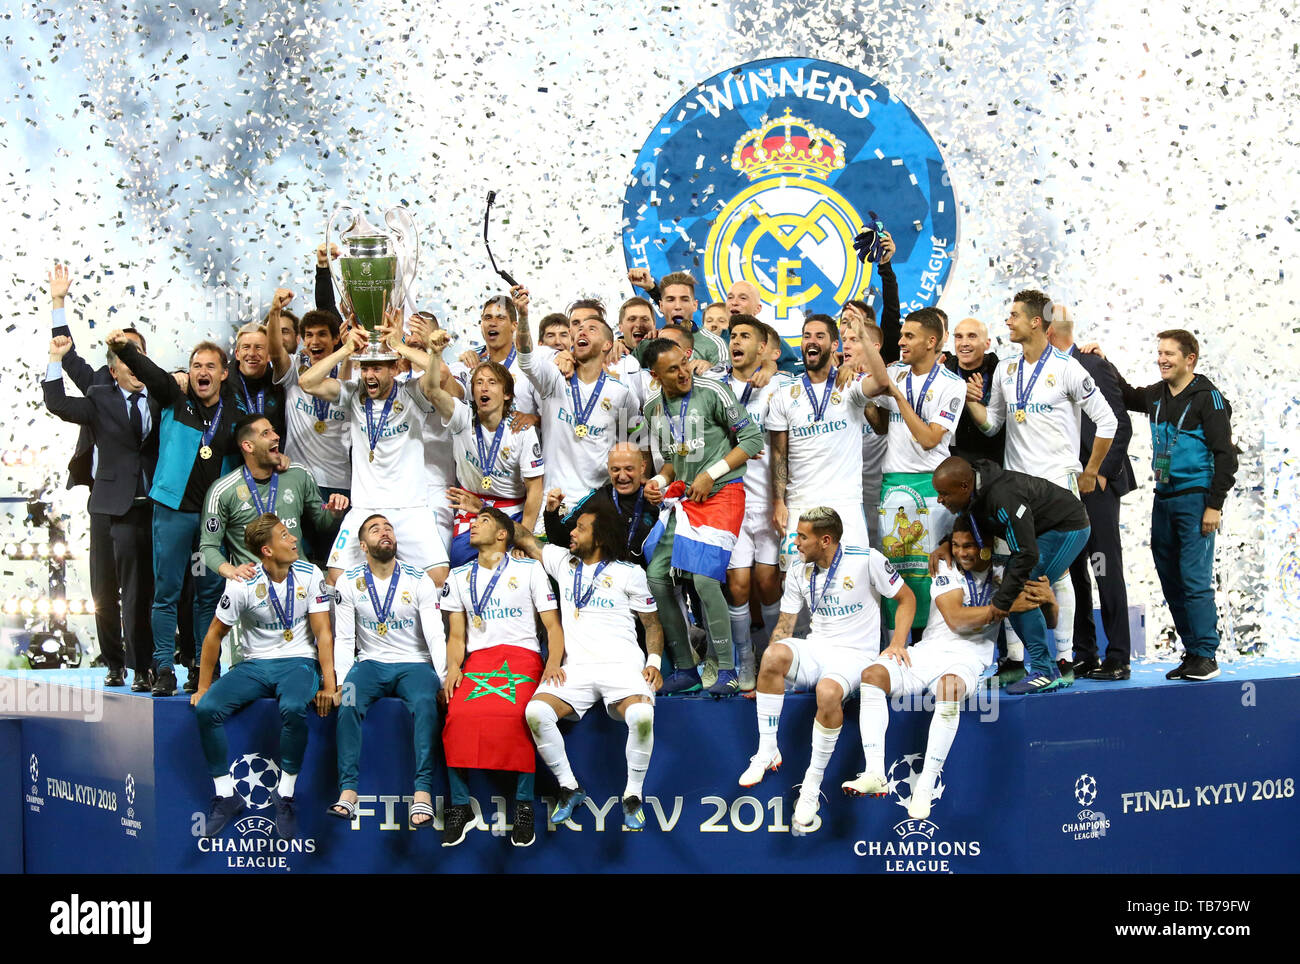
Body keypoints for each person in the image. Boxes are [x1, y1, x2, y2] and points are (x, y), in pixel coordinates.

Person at [845, 520, 1055, 816]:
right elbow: (956, 619)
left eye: (968, 546)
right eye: (955, 545)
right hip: (928, 651)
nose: (960, 552)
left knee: (949, 689)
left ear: (987, 547)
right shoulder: (946, 566)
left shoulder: (1006, 572)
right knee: (873, 676)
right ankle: (875, 772)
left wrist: (1049, 600)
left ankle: (926, 786)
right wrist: (1006, 606)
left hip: (969, 658)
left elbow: (1051, 620)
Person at [965, 290, 1116, 684]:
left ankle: (1064, 658)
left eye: (1014, 315)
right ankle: (1015, 660)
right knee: (1008, 570)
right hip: (1014, 486)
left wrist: (1090, 469)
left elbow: (1109, 421)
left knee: (1058, 576)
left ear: (1036, 321)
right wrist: (971, 403)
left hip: (1056, 484)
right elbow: (993, 424)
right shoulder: (1006, 370)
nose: (1008, 321)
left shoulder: (1070, 369)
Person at [739, 507, 914, 833]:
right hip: (818, 647)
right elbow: (785, 626)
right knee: (773, 655)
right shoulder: (798, 570)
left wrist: (898, 643)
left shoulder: (866, 559)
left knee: (828, 691)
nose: (796, 542)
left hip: (856, 655)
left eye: (802, 537)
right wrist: (770, 675)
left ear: (826, 539)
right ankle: (767, 751)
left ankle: (810, 785)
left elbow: (906, 598)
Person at [1089, 329, 1237, 681]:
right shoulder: (1157, 394)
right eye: (1159, 353)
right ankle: (1192, 652)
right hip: (1164, 498)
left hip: (1196, 497)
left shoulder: (1208, 398)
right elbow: (1125, 395)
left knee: (1194, 578)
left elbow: (1226, 456)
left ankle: (1207, 654)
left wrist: (1214, 505)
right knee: (1170, 578)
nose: (1162, 359)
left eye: (1170, 354)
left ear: (1190, 359)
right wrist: (1103, 361)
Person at [514, 505, 664, 831]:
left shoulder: (629, 573)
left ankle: (633, 795)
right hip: (576, 668)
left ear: (599, 536)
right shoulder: (563, 563)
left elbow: (652, 625)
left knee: (641, 717)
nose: (572, 532)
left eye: (580, 528)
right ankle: (569, 786)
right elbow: (525, 539)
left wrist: (653, 662)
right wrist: (482, 510)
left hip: (622, 666)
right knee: (536, 713)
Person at [108, 331, 241, 697]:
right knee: (165, 592)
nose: (202, 372)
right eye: (196, 365)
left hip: (213, 517)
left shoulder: (235, 414)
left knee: (208, 594)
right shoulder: (173, 397)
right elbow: (149, 372)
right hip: (172, 510)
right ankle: (164, 666)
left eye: (210, 366)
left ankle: (203, 665)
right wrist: (124, 349)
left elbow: (255, 442)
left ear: (224, 373)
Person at [191, 515, 335, 840]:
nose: (294, 539)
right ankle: (226, 796)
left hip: (299, 661)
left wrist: (330, 684)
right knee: (206, 710)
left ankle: (284, 796)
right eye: (285, 535)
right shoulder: (242, 583)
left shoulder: (311, 575)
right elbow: (214, 636)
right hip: (254, 665)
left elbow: (323, 633)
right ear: (267, 550)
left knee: (295, 706)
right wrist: (203, 687)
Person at [641, 337, 765, 695]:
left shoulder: (713, 389)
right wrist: (657, 482)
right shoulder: (653, 408)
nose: (683, 373)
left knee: (705, 579)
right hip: (686, 498)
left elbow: (753, 440)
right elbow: (671, 463)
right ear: (655, 375)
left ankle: (726, 667)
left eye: (684, 363)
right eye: (672, 370)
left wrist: (712, 472)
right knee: (657, 576)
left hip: (723, 493)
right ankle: (685, 668)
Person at [439, 508, 564, 848]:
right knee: (457, 715)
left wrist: (552, 662)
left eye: (483, 521)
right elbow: (456, 636)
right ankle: (461, 807)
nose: (473, 525)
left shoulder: (529, 569)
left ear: (502, 535)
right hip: (479, 659)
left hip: (522, 656)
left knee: (517, 716)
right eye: (473, 521)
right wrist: (453, 667)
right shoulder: (458, 576)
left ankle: (524, 808)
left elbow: (552, 626)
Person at [43, 332, 158, 690]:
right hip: (107, 506)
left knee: (140, 591)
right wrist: (53, 360)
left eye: (139, 356)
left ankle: (143, 667)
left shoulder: (159, 396)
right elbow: (59, 403)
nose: (136, 365)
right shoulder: (99, 398)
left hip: (149, 506)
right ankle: (114, 663)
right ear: (112, 370)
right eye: (127, 359)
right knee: (104, 592)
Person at [197, 414, 348, 686]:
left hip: (300, 586)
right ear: (248, 446)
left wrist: (335, 514)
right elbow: (207, 547)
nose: (276, 437)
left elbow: (321, 523)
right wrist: (230, 571)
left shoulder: (299, 475)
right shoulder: (223, 490)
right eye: (266, 433)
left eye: (274, 431)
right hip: (255, 592)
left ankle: (331, 684)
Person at [298, 318, 450, 588]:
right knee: (335, 579)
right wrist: (345, 350)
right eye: (365, 367)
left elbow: (444, 375)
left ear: (394, 369)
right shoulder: (352, 394)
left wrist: (399, 345)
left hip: (410, 507)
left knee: (438, 580)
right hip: (365, 507)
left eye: (377, 368)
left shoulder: (414, 393)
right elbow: (307, 382)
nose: (369, 375)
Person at [931, 456, 1091, 693]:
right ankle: (1016, 666)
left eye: (944, 493)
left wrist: (1001, 603)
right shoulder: (976, 488)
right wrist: (946, 542)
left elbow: (1026, 554)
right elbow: (971, 516)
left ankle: (1045, 671)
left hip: (1067, 527)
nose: (939, 499)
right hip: (1040, 532)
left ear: (964, 487)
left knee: (1020, 587)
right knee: (1012, 589)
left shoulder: (1002, 497)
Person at [329, 514, 445, 828]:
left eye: (389, 528)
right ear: (363, 545)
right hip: (369, 663)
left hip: (414, 663)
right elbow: (344, 637)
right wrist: (341, 681)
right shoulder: (348, 580)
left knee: (425, 704)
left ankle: (422, 792)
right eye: (375, 528)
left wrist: (444, 677)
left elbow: (435, 633)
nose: (385, 532)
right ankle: (349, 790)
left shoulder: (418, 578)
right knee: (350, 701)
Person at [395, 326, 545, 568]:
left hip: (512, 509)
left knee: (516, 569)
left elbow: (535, 489)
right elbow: (433, 389)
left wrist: (524, 538)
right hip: (469, 506)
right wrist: (432, 353)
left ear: (507, 394)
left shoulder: (521, 430)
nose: (484, 388)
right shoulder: (462, 417)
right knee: (459, 562)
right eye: (478, 383)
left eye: (492, 383)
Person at [512, 285, 645, 544]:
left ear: (608, 344)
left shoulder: (622, 394)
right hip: (553, 499)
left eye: (591, 328)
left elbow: (638, 441)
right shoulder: (554, 378)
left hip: (597, 502)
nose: (582, 331)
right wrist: (524, 316)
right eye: (578, 329)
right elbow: (526, 359)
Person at [864, 308, 968, 634]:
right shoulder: (895, 374)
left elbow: (928, 439)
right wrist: (866, 399)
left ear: (931, 341)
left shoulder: (952, 385)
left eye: (909, 336)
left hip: (932, 486)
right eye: (902, 335)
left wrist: (896, 395)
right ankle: (898, 649)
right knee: (896, 573)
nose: (901, 341)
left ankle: (933, 643)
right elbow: (881, 426)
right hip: (893, 483)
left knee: (930, 571)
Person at [1046, 308, 1136, 680]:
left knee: (1103, 566)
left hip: (1094, 482)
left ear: (1047, 330)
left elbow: (1121, 423)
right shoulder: (1040, 370)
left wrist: (1096, 473)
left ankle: (1118, 656)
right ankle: (1085, 652)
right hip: (1062, 483)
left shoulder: (1093, 364)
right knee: (1073, 570)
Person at [769, 315, 888, 576]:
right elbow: (779, 454)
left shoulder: (851, 385)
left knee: (853, 580)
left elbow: (881, 383)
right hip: (801, 503)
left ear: (835, 345)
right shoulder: (784, 394)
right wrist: (779, 501)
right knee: (795, 585)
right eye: (807, 336)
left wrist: (863, 339)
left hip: (845, 503)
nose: (811, 341)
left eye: (819, 336)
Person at [724, 315, 787, 689]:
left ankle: (770, 655)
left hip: (768, 501)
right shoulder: (715, 386)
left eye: (745, 336)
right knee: (738, 586)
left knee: (767, 582)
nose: (736, 341)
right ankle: (745, 659)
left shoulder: (778, 386)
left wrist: (771, 367)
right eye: (732, 335)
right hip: (732, 501)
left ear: (762, 347)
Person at [270, 306, 352, 569]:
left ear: (335, 339)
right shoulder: (294, 370)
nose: (314, 341)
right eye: (308, 335)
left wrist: (347, 353)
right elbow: (274, 351)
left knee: (335, 565)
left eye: (322, 335)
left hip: (340, 483)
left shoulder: (352, 376)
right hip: (298, 481)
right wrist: (274, 312)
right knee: (295, 561)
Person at [839, 316, 887, 548]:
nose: (845, 345)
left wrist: (861, 391)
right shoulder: (838, 379)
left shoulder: (890, 380)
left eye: (854, 339)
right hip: (848, 489)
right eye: (844, 340)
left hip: (883, 488)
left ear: (873, 346)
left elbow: (881, 426)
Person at [449, 294, 539, 418]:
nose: (493, 323)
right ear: (481, 324)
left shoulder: (531, 365)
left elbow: (552, 412)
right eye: (488, 317)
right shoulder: (468, 363)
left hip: (521, 436)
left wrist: (535, 419)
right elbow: (449, 395)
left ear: (514, 326)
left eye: (500, 318)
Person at [626, 268, 728, 369]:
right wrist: (619, 347)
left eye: (684, 300)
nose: (678, 306)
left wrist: (712, 371)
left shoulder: (714, 344)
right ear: (661, 306)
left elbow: (730, 380)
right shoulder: (647, 343)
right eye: (670, 300)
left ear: (694, 305)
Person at [944, 317, 1006, 465]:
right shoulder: (943, 371)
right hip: (951, 464)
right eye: (959, 337)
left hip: (993, 466)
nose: (964, 343)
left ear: (987, 343)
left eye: (972, 336)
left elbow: (995, 425)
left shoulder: (1001, 374)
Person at [229, 320, 288, 438]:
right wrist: (180, 374)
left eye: (258, 347)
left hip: (270, 454)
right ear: (237, 353)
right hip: (232, 455)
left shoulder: (280, 384)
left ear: (269, 355)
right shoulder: (221, 380)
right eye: (246, 347)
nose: (252, 353)